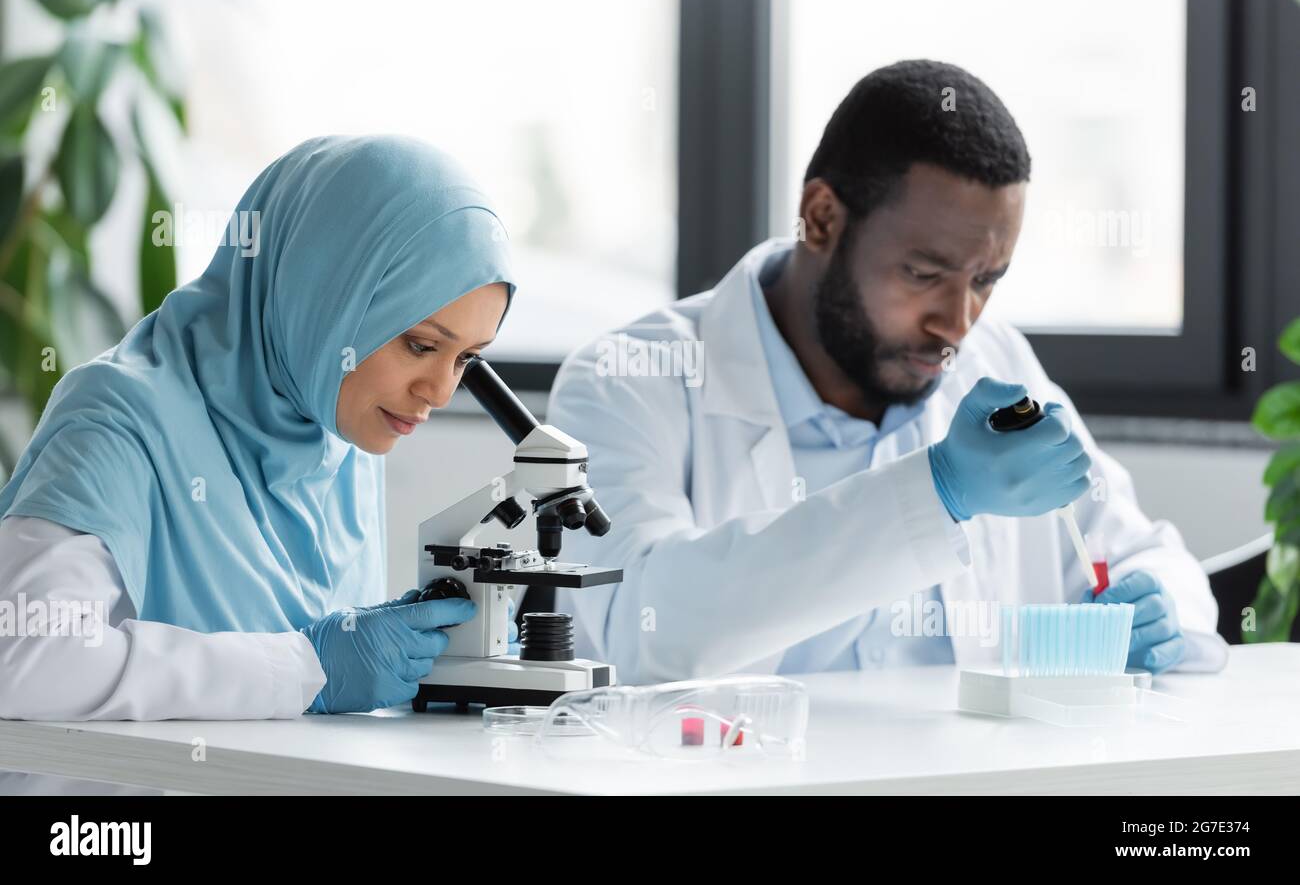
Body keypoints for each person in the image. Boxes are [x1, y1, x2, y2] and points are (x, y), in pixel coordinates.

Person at [549, 60, 1229, 685]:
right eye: (923, 273)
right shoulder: (627, 381)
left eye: (986, 280)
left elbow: (1137, 547)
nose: (957, 322)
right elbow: (640, 632)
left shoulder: (995, 359)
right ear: (822, 218)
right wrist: (935, 493)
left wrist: (1159, 603)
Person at [0, 135, 515, 791]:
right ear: (323, 291)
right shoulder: (119, 416)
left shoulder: (338, 435)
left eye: (466, 358)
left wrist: (426, 662)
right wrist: (309, 665)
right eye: (420, 345)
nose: (440, 391)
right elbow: (30, 658)